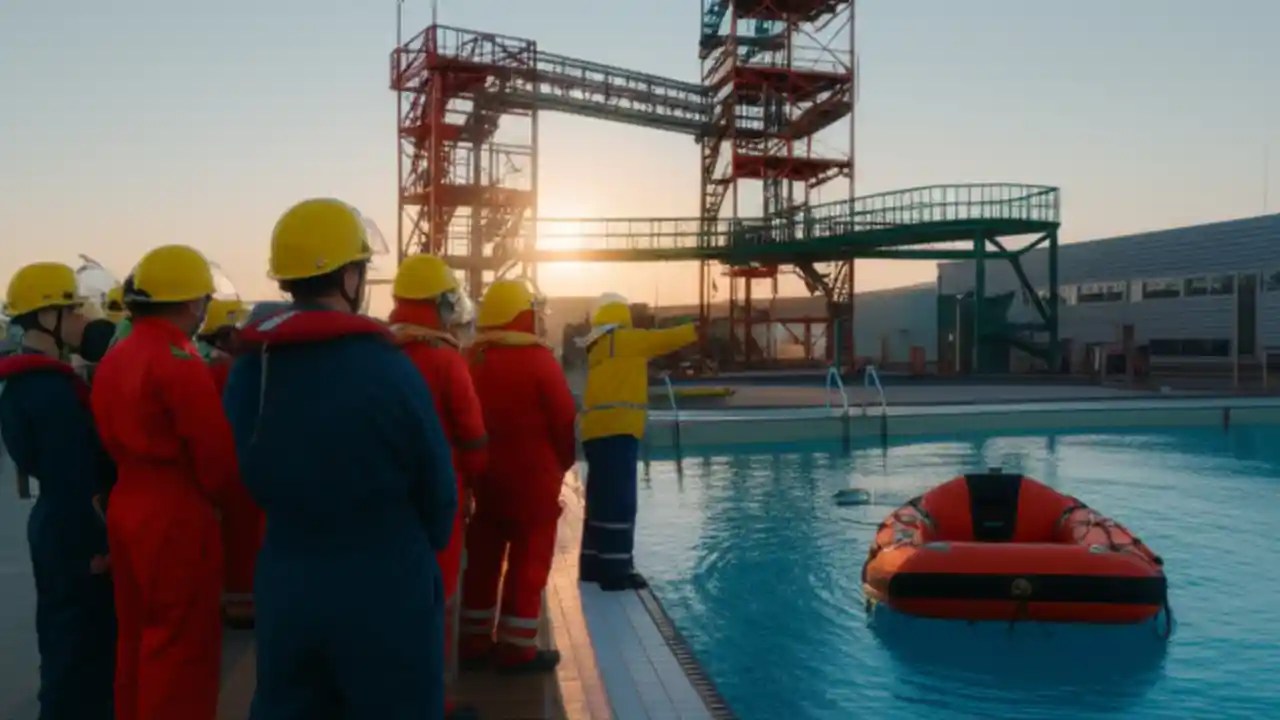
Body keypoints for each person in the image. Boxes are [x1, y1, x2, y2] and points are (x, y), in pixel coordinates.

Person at [222, 198, 457, 719]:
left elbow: (244, 464)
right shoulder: (388, 367)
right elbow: (438, 487)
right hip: (386, 579)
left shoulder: (254, 368)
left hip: (287, 577)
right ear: (350, 277)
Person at [90, 244, 240, 720]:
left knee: (136, 638)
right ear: (191, 302)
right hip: (174, 512)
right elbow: (215, 457)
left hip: (127, 504)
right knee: (180, 645)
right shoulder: (180, 361)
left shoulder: (118, 355)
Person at [0, 262, 118, 720]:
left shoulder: (24, 383)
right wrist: (96, 546)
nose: (82, 320)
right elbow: (75, 477)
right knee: (81, 651)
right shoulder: (51, 392)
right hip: (74, 530)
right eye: (74, 310)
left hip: (54, 523)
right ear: (48, 316)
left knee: (61, 642)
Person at [459, 278, 576, 673]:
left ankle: (473, 639)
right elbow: (564, 421)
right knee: (528, 563)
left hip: (485, 481)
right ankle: (517, 647)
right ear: (523, 315)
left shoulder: (471, 359)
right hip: (533, 484)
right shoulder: (539, 361)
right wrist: (562, 463)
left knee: (482, 560)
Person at [389, 254, 488, 718]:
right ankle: (433, 700)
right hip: (440, 497)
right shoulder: (447, 361)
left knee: (393, 599)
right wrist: (472, 480)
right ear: (438, 304)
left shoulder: (381, 354)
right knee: (439, 599)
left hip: (388, 499)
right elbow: (472, 436)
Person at [577, 293, 697, 591]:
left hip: (594, 433)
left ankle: (591, 564)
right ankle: (616, 571)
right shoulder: (626, 341)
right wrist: (693, 329)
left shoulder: (599, 346)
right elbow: (663, 340)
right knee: (620, 502)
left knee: (599, 499)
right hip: (619, 431)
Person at [194, 297, 262, 629]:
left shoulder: (202, 364)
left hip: (219, 465)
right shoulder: (228, 369)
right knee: (244, 537)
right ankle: (243, 604)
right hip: (236, 463)